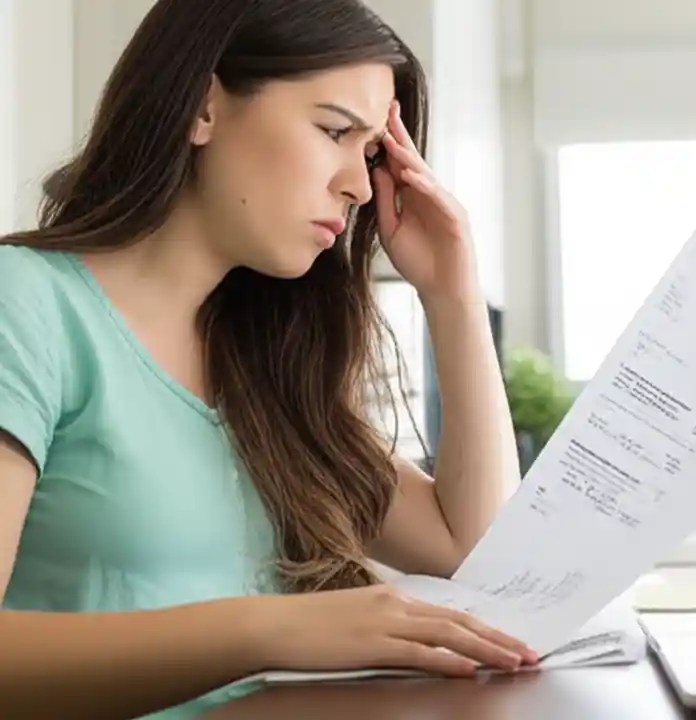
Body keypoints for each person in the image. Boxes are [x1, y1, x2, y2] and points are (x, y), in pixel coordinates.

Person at [0, 1, 537, 717]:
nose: (356, 185)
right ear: (203, 108)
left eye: (372, 153)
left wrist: (454, 294)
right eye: (334, 131)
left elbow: (476, 552)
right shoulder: (26, 306)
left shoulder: (260, 363)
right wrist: (273, 630)